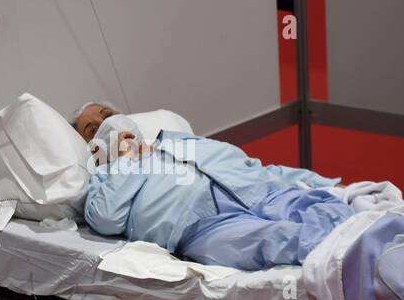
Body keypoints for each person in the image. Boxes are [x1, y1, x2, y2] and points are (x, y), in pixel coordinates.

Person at [82, 114, 356, 271]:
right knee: (279, 240)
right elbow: (107, 217)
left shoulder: (179, 141)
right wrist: (127, 159)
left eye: (106, 113)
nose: (105, 122)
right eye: (93, 127)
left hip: (258, 189)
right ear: (91, 144)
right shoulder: (106, 175)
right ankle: (359, 259)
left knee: (325, 206)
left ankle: (365, 244)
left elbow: (256, 166)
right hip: (203, 227)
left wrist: (322, 182)